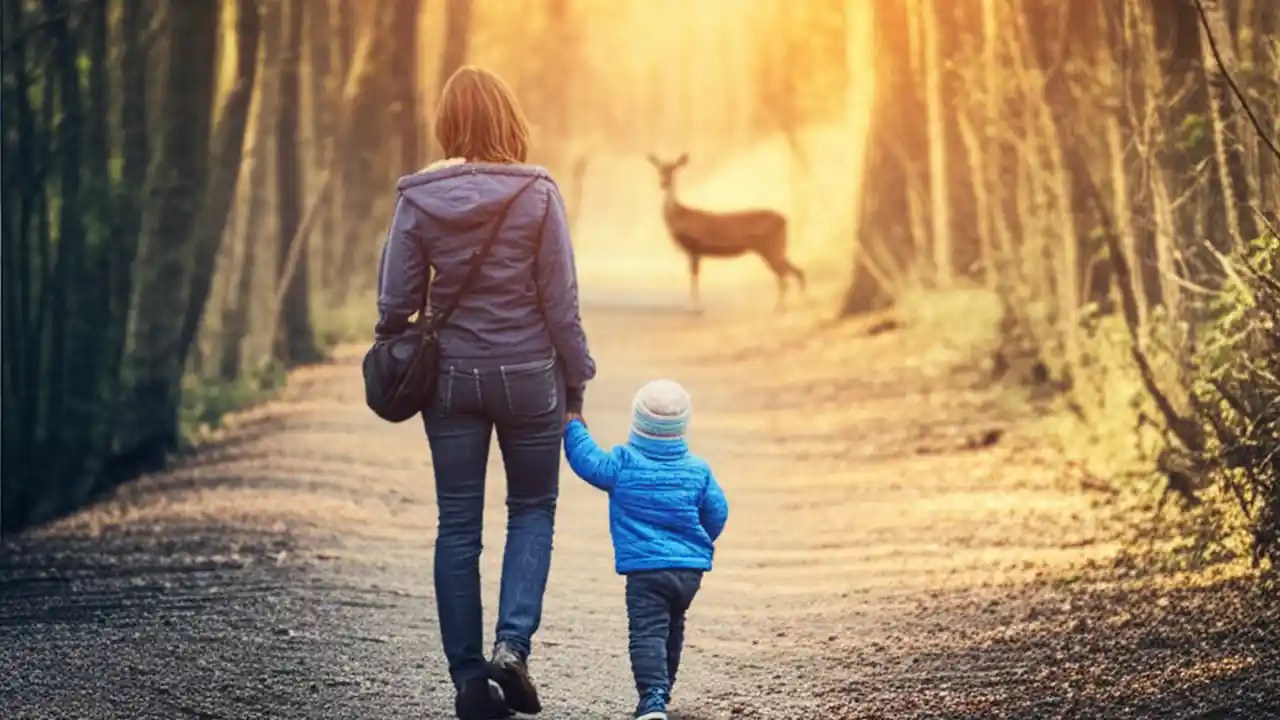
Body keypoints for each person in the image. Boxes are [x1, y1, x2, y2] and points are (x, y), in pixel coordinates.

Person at [375, 66, 595, 720]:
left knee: (458, 524)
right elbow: (562, 305)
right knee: (532, 509)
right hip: (531, 376)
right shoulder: (539, 192)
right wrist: (576, 376)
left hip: (451, 382)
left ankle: (470, 680)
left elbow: (393, 307)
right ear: (509, 121)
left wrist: (418, 329)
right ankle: (511, 651)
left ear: (447, 124)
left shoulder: (418, 198)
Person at [563, 379, 729, 720]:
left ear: (637, 425)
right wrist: (696, 543)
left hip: (646, 571)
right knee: (672, 627)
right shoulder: (698, 469)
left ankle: (652, 700)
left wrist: (573, 426)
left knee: (648, 633)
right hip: (688, 571)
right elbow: (717, 511)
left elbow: (588, 461)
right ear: (683, 428)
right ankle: (662, 694)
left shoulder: (623, 463)